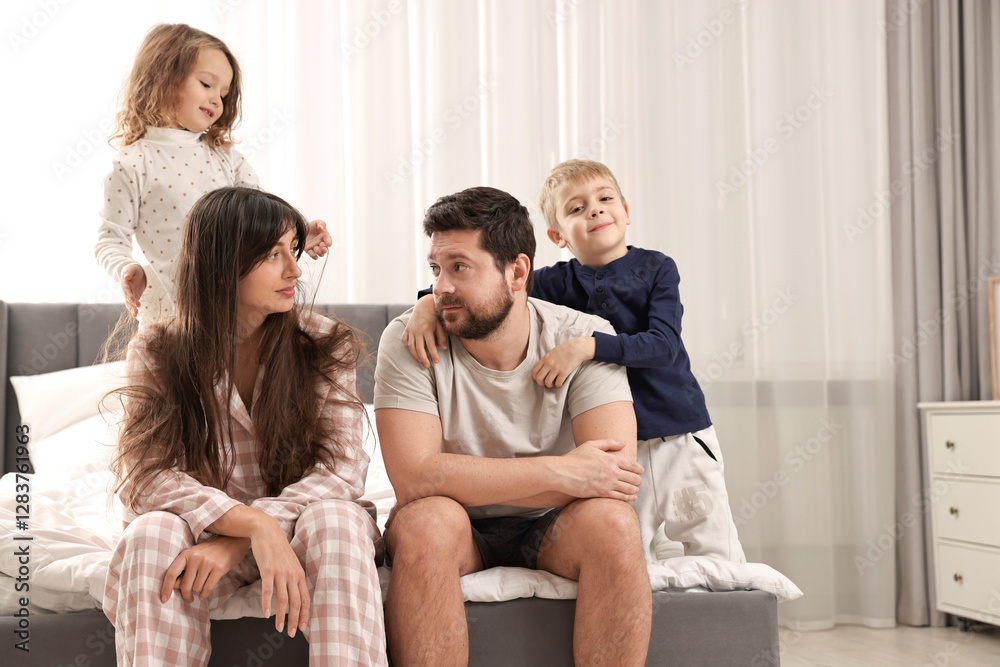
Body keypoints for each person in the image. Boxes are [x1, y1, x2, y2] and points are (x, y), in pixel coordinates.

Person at [402, 159, 745, 564]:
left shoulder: (657, 269)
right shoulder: (552, 281)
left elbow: (663, 345)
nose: (595, 210)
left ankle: (733, 620)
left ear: (626, 211)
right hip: (618, 445)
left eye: (605, 199)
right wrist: (426, 304)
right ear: (557, 234)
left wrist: (586, 347)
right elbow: (483, 286)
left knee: (712, 541)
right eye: (576, 208)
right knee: (627, 547)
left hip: (679, 433)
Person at [103, 187, 386, 667]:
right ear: (221, 264)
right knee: (151, 535)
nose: (294, 270)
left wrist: (252, 535)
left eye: (293, 251)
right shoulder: (158, 351)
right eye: (273, 255)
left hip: (300, 530)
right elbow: (145, 477)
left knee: (336, 519)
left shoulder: (323, 343)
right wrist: (248, 524)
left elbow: (340, 472)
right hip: (205, 535)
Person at [374, 186, 651, 666]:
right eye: (436, 269)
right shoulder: (409, 339)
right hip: (456, 522)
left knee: (614, 523)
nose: (440, 287)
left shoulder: (583, 339)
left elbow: (611, 475)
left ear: (517, 271)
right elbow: (414, 478)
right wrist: (561, 473)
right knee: (424, 523)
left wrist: (461, 475)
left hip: (553, 526)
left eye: (459, 267)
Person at [95, 23, 332, 324]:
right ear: (162, 78)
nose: (217, 100)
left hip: (236, 316)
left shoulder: (227, 159)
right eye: (207, 85)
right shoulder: (132, 162)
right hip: (171, 319)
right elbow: (110, 239)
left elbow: (261, 222)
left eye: (224, 93)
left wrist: (296, 234)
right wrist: (127, 269)